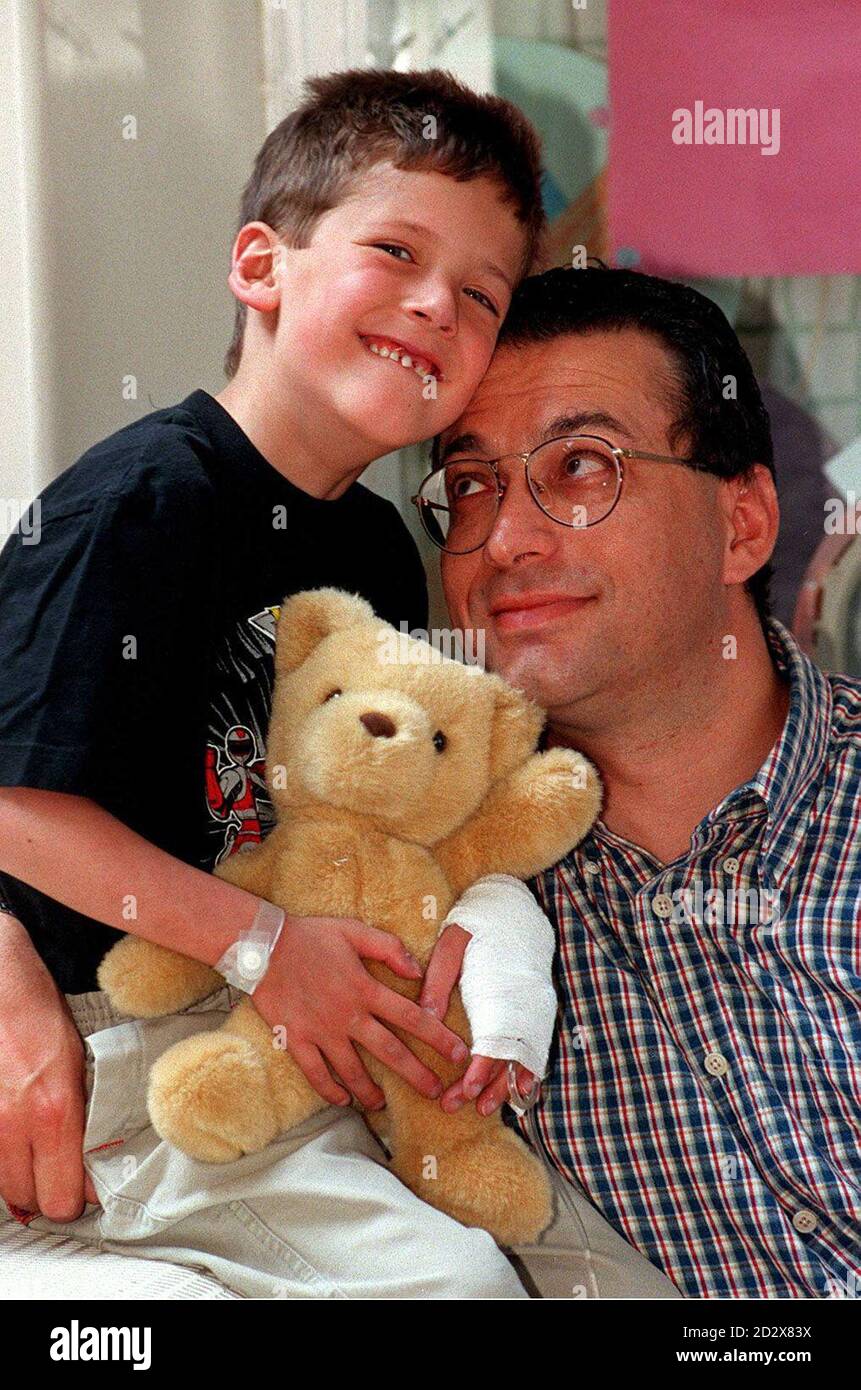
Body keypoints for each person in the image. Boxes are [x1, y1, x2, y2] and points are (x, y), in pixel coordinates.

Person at [0, 68, 554, 1300]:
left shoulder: (376, 551)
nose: (434, 307)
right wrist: (264, 948)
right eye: (396, 251)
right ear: (261, 265)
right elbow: (18, 806)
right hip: (105, 1063)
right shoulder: (143, 498)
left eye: (480, 293)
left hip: (249, 1053)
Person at [420, 266, 861, 1299]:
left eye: (581, 467)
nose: (507, 539)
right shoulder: (447, 878)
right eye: (473, 484)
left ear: (745, 524)